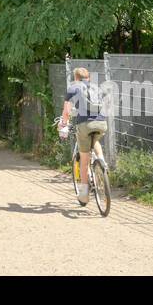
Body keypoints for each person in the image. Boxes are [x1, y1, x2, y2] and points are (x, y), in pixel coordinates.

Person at [59, 67, 107, 205]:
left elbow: (67, 111)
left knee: (84, 159)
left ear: (76, 78)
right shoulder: (97, 87)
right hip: (102, 123)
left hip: (85, 125)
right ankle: (102, 162)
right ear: (89, 77)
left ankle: (84, 195)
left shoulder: (74, 88)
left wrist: (64, 125)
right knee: (95, 139)